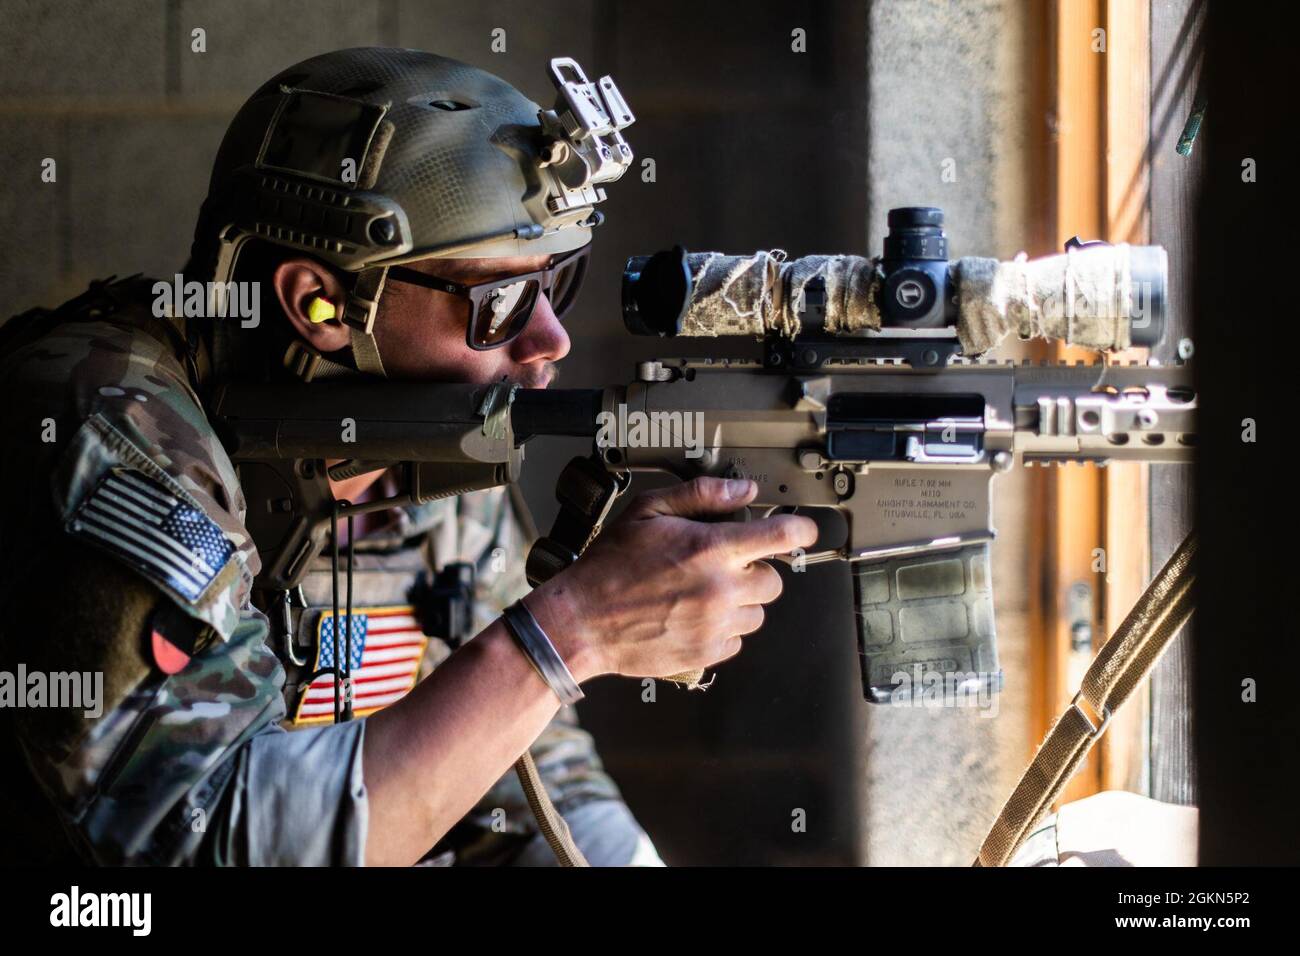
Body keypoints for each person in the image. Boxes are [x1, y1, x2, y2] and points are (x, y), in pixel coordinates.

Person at [0, 47, 816, 866]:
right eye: (498, 303)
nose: (551, 340)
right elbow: (205, 843)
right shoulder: (105, 426)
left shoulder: (428, 429)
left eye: (557, 283)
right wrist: (571, 633)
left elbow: (531, 778)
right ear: (319, 302)